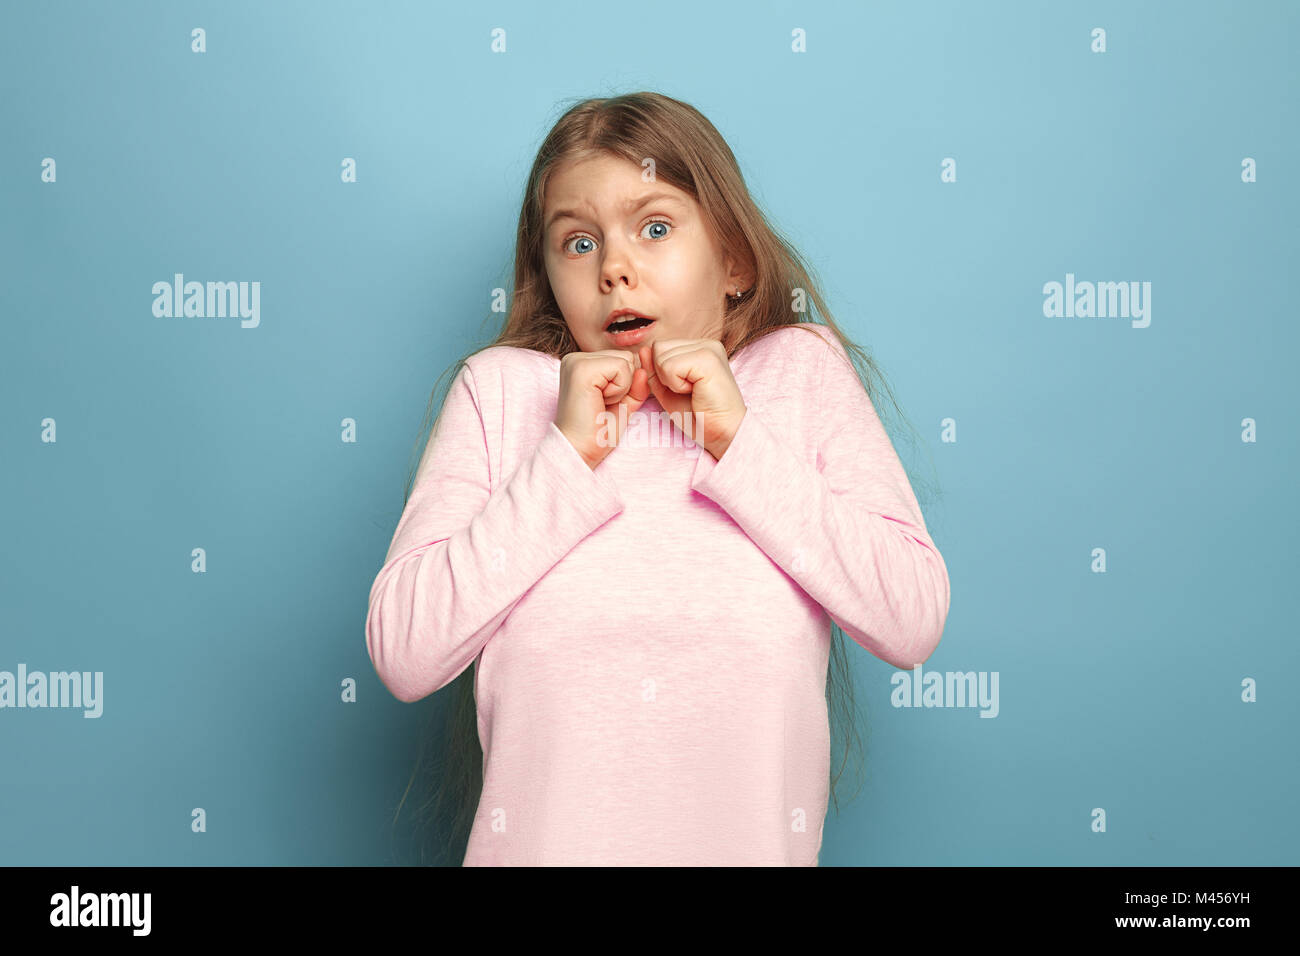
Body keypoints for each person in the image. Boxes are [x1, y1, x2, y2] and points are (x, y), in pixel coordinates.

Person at [366, 91, 951, 866]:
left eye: (655, 227)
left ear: (735, 262)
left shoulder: (800, 375)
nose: (615, 268)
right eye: (577, 243)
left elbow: (909, 617)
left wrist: (735, 441)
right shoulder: (503, 391)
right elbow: (405, 652)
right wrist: (564, 461)